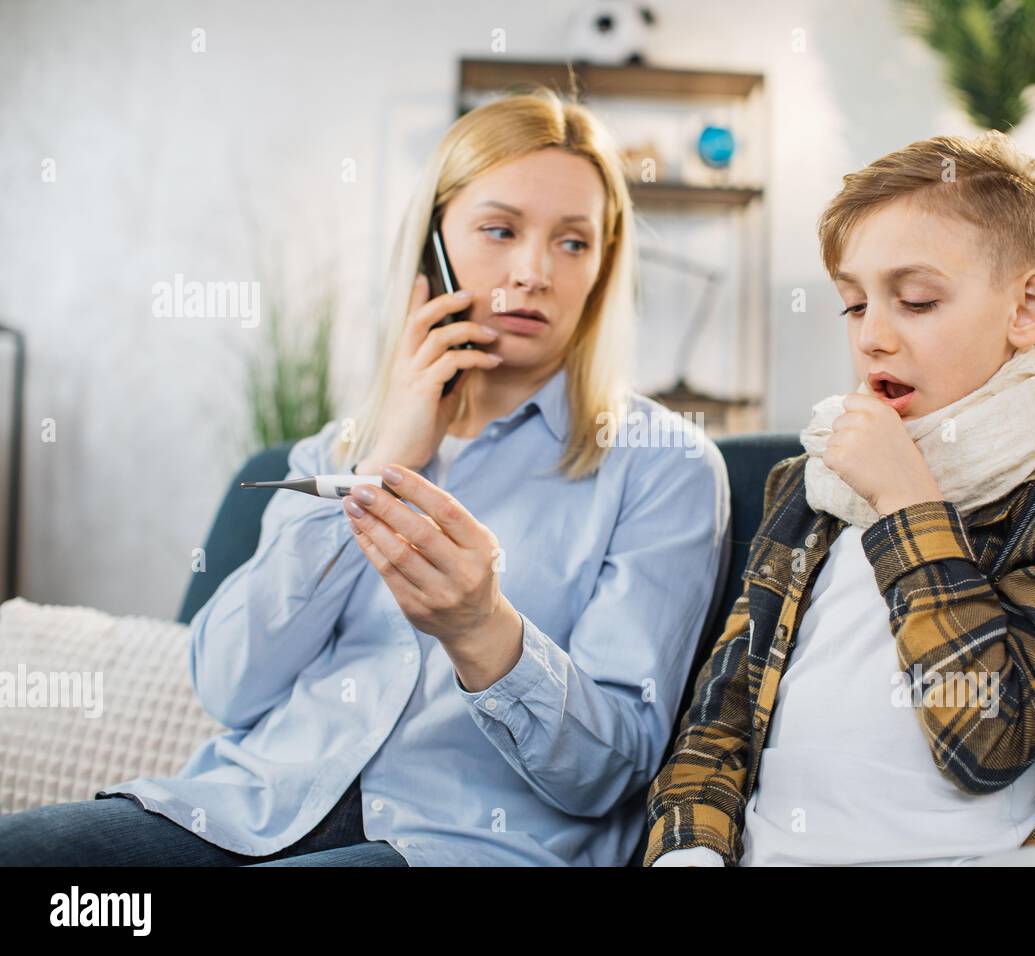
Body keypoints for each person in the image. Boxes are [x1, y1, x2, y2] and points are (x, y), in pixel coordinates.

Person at [0, 89, 729, 867]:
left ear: (603, 266)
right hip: (248, 810)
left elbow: (610, 774)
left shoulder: (666, 466)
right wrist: (379, 464)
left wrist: (483, 630)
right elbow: (227, 685)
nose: (534, 272)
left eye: (573, 243)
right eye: (499, 229)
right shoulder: (337, 449)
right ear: (433, 248)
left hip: (455, 845)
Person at [645, 131, 1035, 867]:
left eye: (916, 300)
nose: (873, 336)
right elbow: (720, 718)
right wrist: (691, 854)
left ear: (1028, 307)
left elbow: (987, 741)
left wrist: (906, 499)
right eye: (852, 304)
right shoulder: (810, 482)